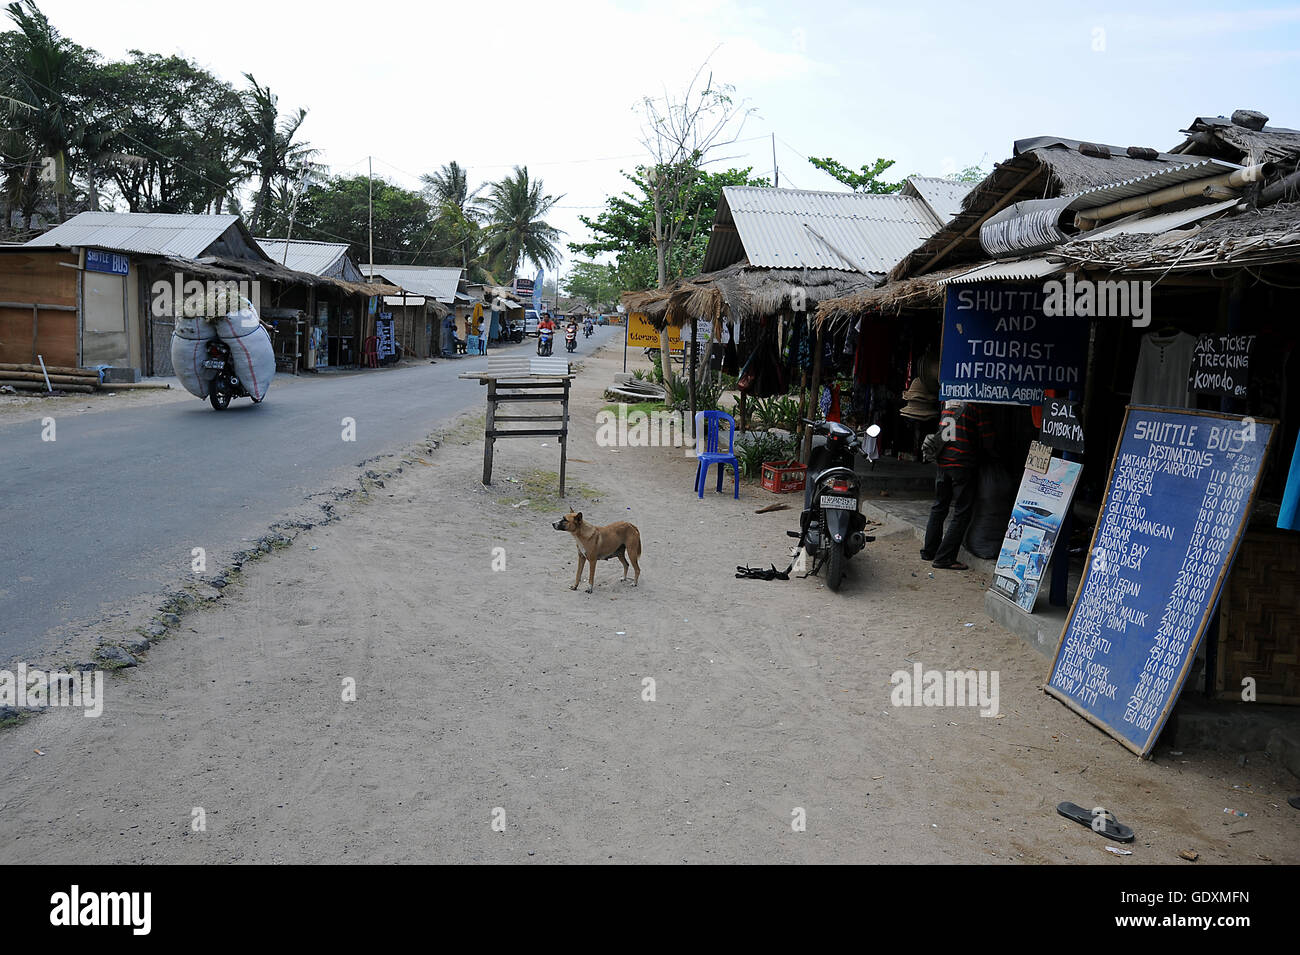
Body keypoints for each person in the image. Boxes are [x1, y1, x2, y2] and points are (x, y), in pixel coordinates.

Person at [922, 400, 994, 571]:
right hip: (962, 465)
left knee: (939, 506)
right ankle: (944, 558)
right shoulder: (976, 407)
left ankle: (929, 551)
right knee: (962, 512)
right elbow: (988, 440)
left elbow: (947, 435)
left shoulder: (948, 405)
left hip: (943, 464)